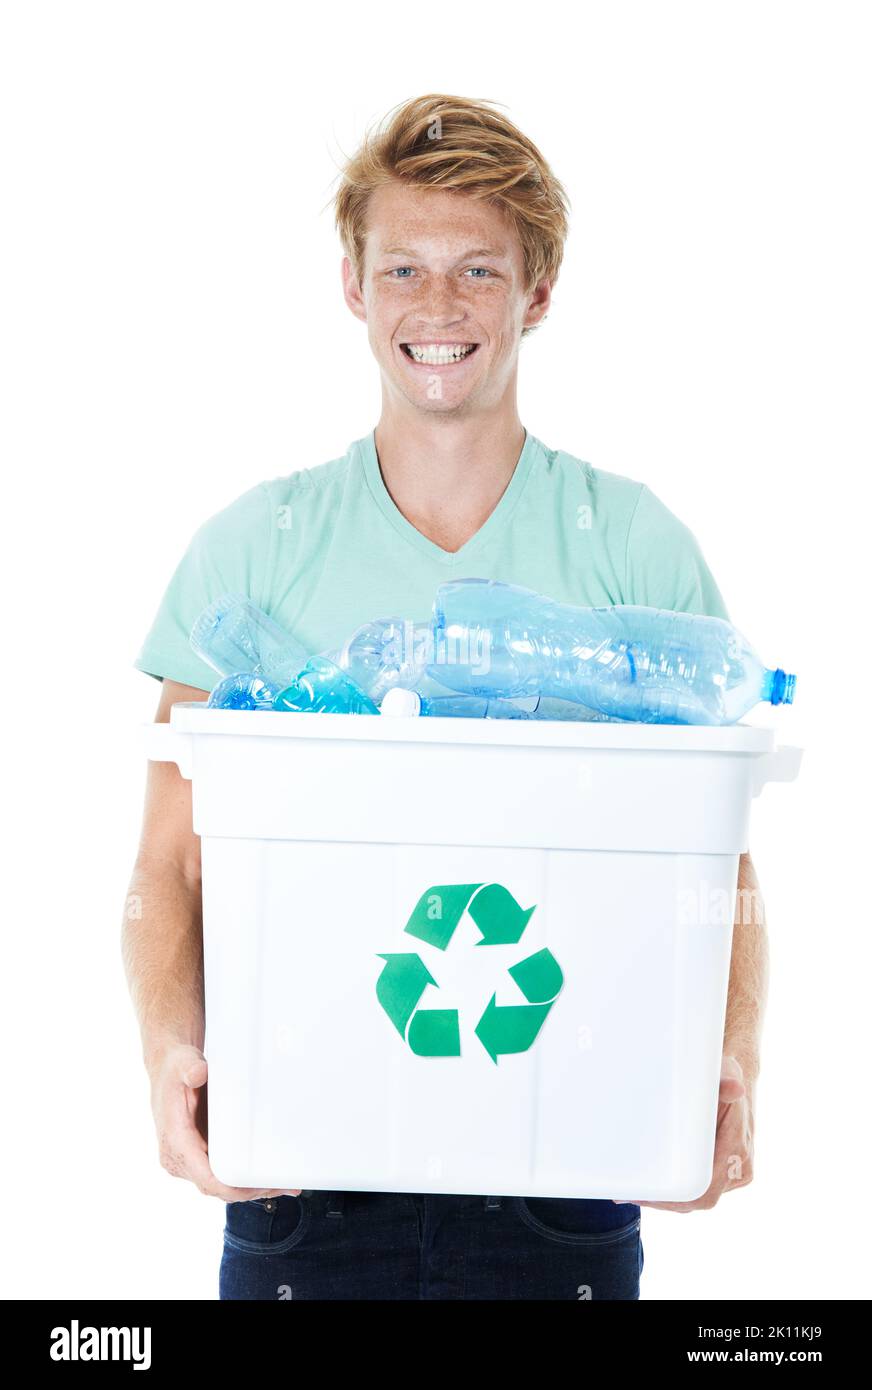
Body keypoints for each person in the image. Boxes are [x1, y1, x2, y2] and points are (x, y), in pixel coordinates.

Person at [123, 94, 764, 1301]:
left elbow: (714, 862)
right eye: (402, 267)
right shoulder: (249, 554)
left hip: (565, 1181)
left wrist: (725, 1053)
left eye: (478, 269)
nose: (437, 306)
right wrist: (170, 1051)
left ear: (538, 291)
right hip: (298, 1180)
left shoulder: (632, 550)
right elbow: (169, 862)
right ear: (354, 288)